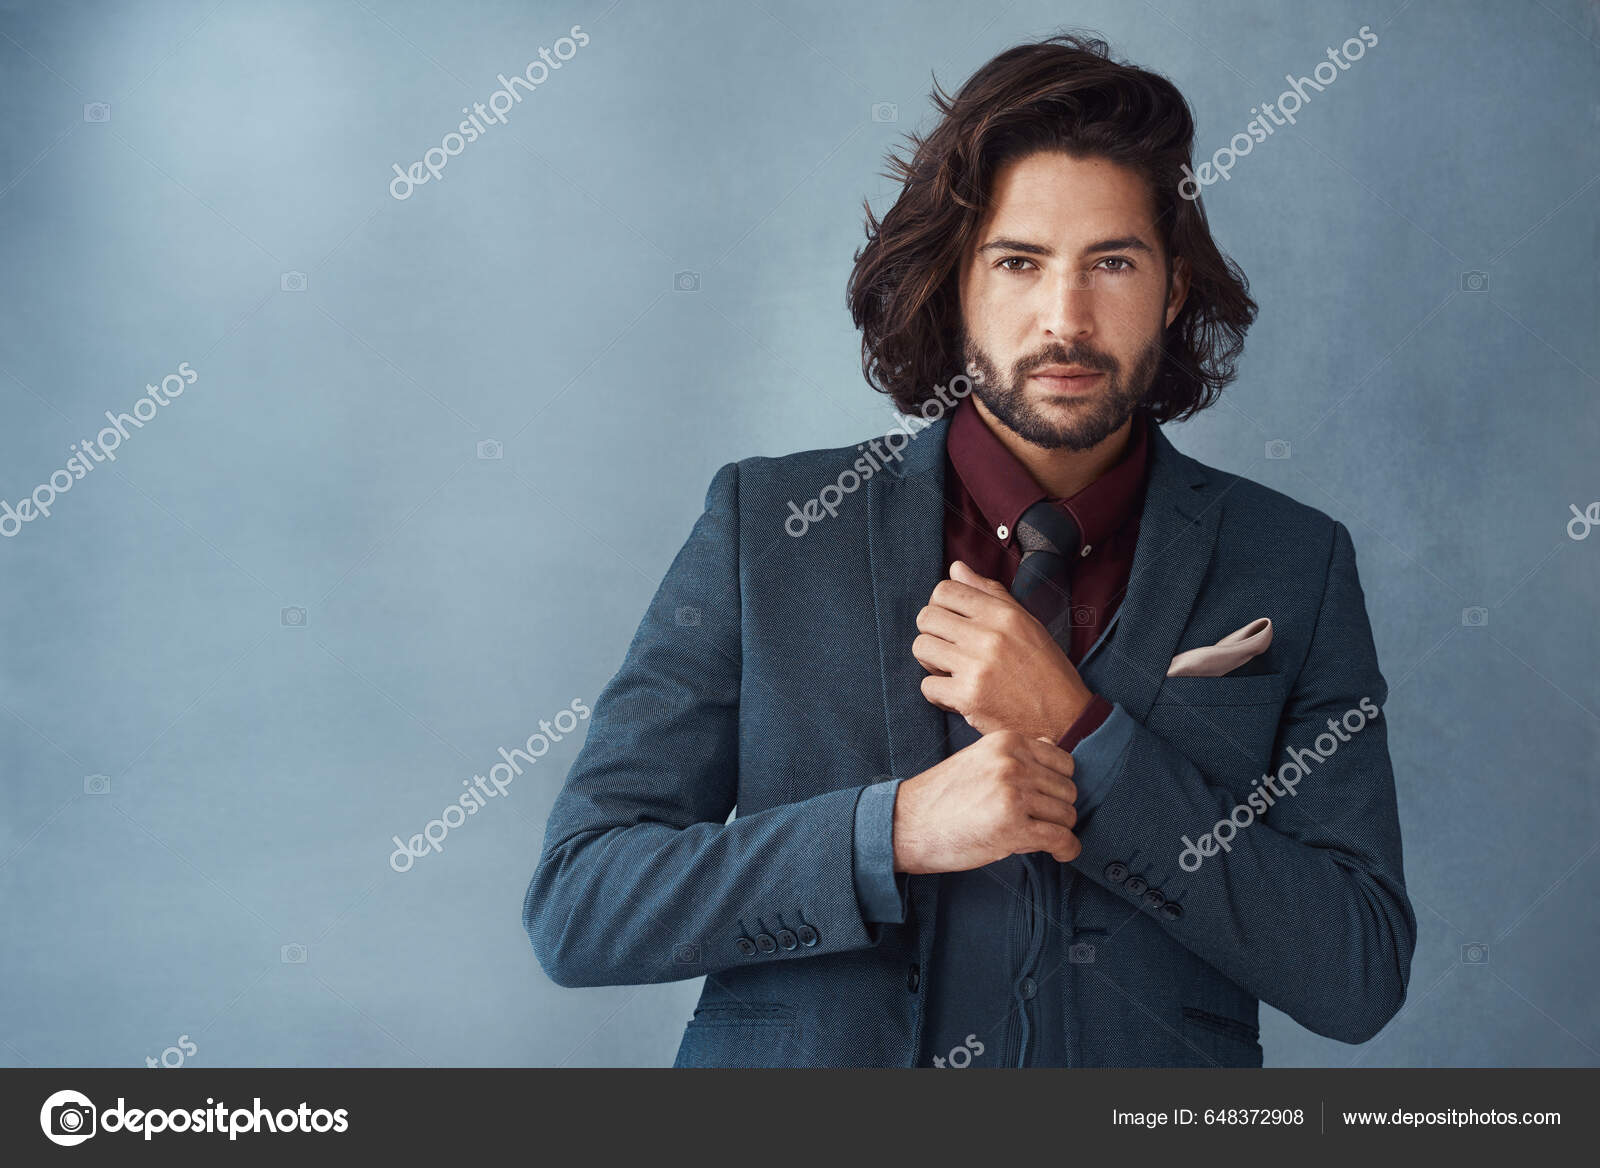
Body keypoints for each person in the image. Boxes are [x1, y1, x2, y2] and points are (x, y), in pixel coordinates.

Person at [523, 33, 1414, 1068]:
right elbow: (581, 903)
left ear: (1171, 291)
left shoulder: (1293, 560)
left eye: (1112, 263)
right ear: (955, 285)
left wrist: (1088, 737)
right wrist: (886, 834)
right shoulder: (764, 526)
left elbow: (1359, 970)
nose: (1065, 319)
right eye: (1019, 262)